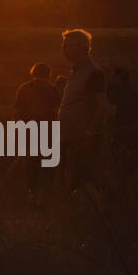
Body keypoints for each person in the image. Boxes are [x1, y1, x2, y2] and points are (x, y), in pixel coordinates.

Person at [56, 29, 107, 194]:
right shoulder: (76, 71)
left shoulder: (93, 73)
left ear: (81, 47)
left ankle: (92, 212)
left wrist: (90, 132)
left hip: (82, 137)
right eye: (63, 45)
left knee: (82, 180)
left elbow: (102, 106)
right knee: (70, 180)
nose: (63, 49)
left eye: (67, 45)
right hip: (68, 135)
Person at [14, 63, 61, 201]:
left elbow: (17, 110)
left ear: (33, 73)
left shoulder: (24, 88)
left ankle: (32, 192)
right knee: (48, 164)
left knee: (31, 163)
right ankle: (46, 193)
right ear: (49, 74)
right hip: (48, 131)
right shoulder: (53, 90)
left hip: (30, 132)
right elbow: (59, 110)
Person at [107, 67, 138, 179]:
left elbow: (110, 115)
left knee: (118, 168)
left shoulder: (114, 94)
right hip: (137, 135)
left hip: (120, 135)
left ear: (119, 78)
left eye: (113, 77)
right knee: (133, 166)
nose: (111, 79)